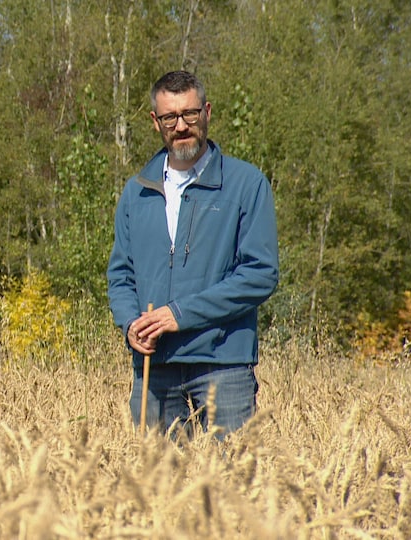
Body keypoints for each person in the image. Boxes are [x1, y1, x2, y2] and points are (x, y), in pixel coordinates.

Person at [106, 70, 279, 438]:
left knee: (233, 487)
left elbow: (260, 275)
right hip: (155, 369)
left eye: (190, 114)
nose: (181, 126)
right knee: (157, 492)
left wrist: (178, 315)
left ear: (207, 113)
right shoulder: (136, 192)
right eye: (170, 117)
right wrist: (129, 325)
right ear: (155, 122)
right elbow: (121, 276)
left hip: (224, 369)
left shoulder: (247, 185)